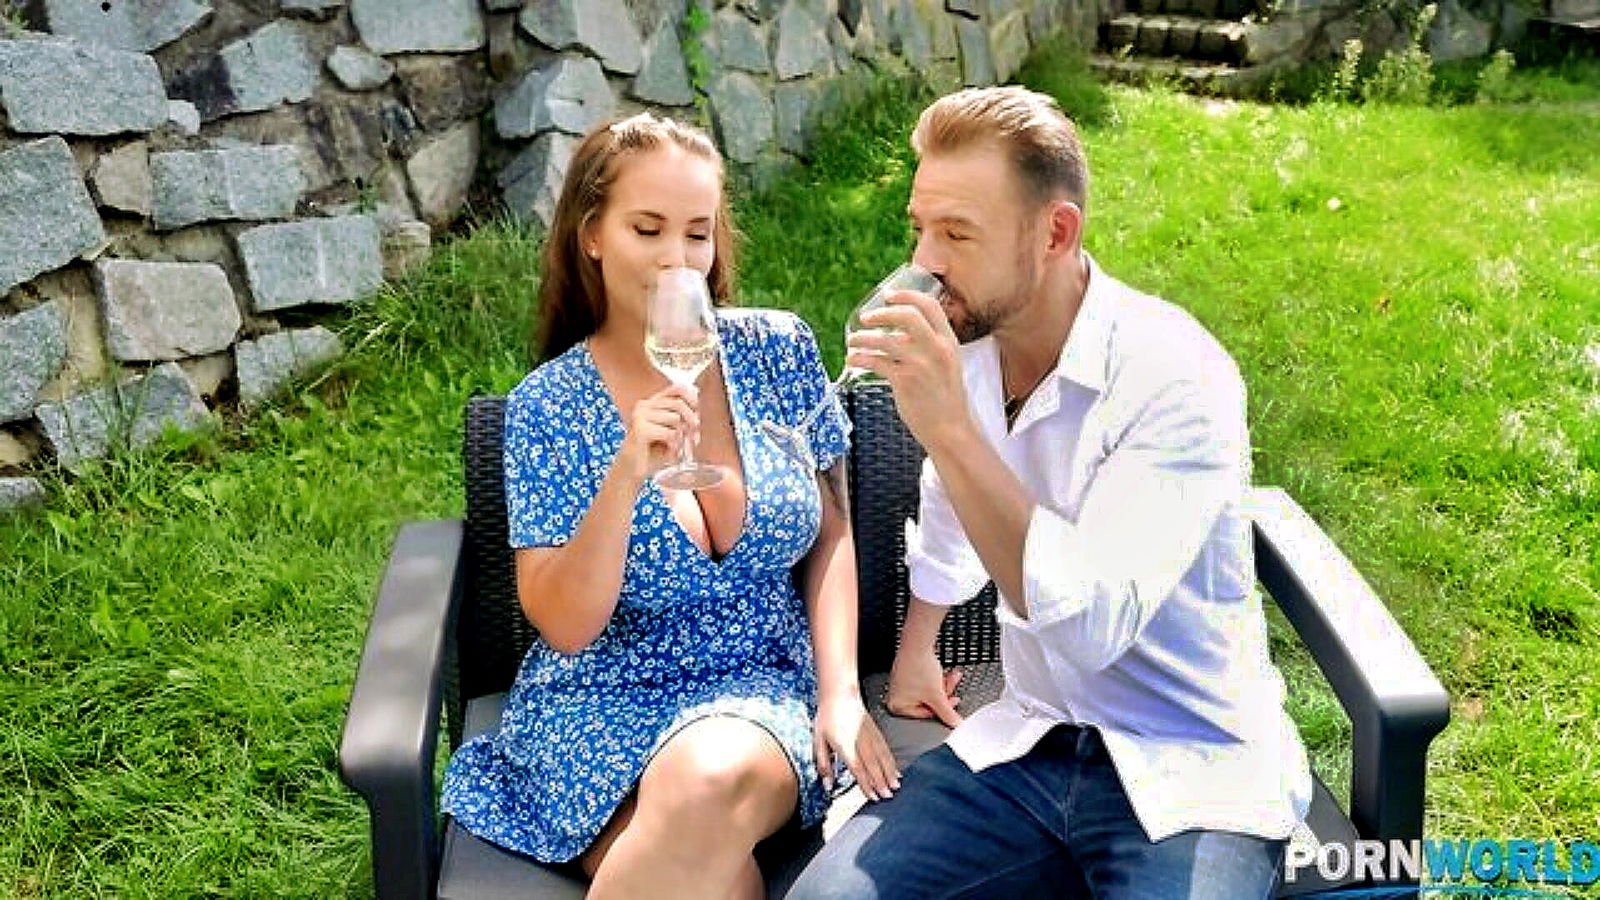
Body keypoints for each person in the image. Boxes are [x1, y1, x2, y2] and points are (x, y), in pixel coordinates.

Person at [786, 87, 1311, 899]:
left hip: (1192, 771)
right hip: (1030, 741)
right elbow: (950, 502)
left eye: (957, 232)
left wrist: (951, 431)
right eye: (919, 228)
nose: (926, 261)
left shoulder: (1175, 376)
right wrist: (920, 644)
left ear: (1056, 233)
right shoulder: (970, 346)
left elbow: (1092, 628)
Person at [441, 112, 897, 900]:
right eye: (647, 229)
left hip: (755, 685)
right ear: (591, 234)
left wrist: (842, 692)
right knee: (718, 881)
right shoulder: (547, 407)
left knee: (705, 782)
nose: (676, 259)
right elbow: (566, 626)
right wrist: (624, 476)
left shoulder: (778, 351)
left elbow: (831, 533)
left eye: (697, 233)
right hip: (595, 705)